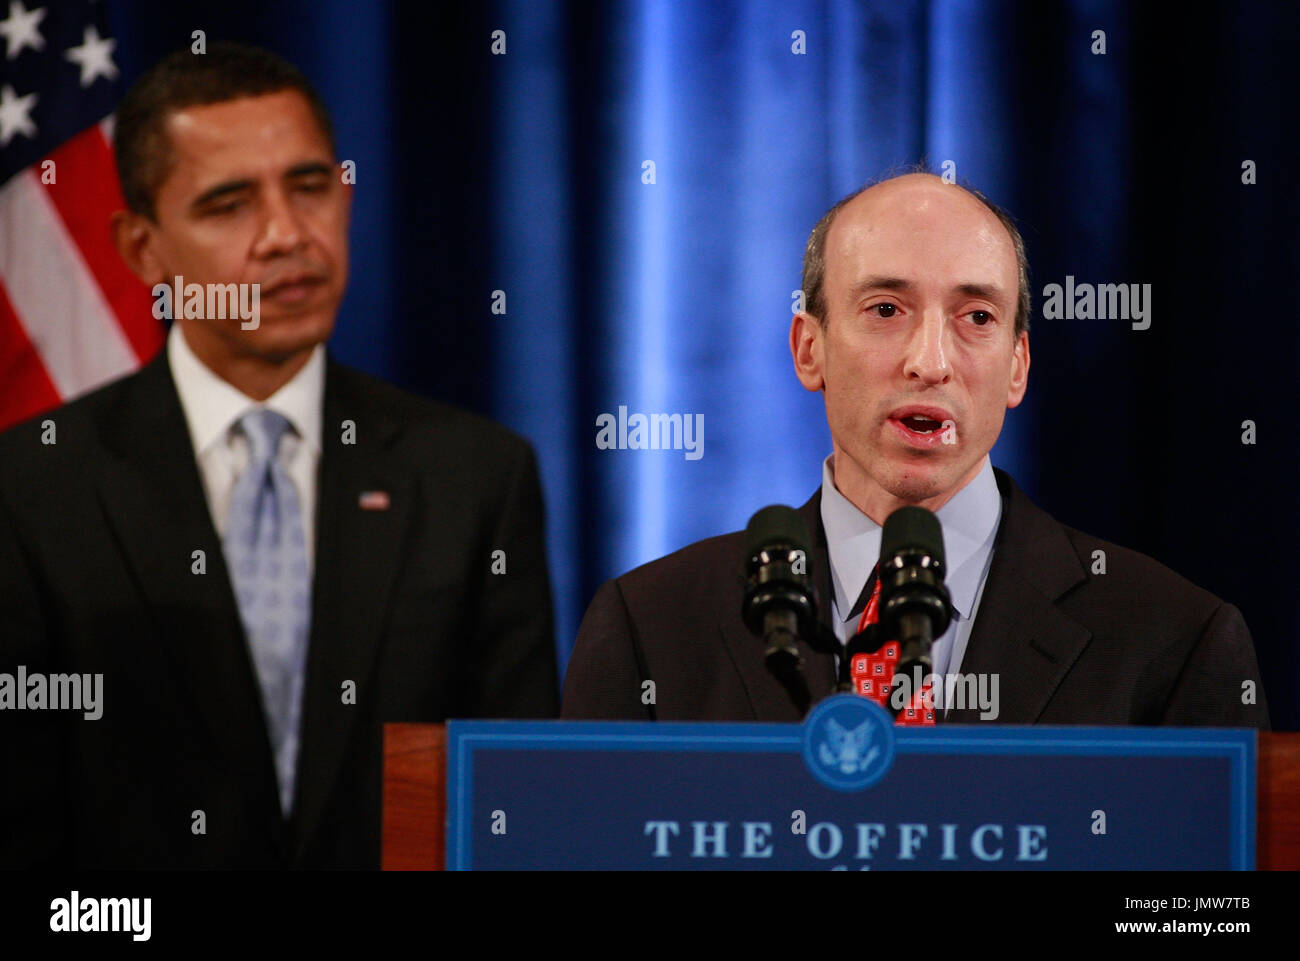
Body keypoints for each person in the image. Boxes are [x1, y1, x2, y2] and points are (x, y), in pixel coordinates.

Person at [0, 43, 557, 869]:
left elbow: (515, 809)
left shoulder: (475, 476)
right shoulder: (30, 488)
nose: (286, 235)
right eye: (228, 204)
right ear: (142, 249)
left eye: (309, 187)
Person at [561, 172, 1269, 729]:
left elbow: (1195, 914)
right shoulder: (650, 626)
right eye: (886, 310)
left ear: (1017, 366)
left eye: (977, 317)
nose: (930, 361)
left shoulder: (1173, 639)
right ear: (810, 348)